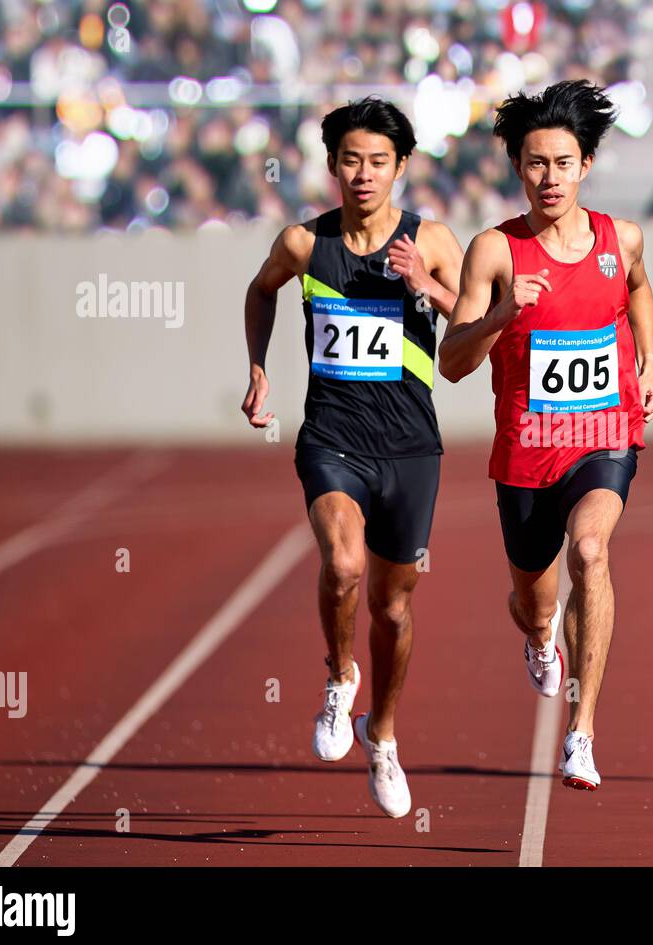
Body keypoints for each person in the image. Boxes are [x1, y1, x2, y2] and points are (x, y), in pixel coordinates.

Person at [438, 79, 653, 791]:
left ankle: (582, 734)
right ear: (518, 169)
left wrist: (648, 361)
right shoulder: (493, 251)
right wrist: (502, 312)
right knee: (534, 602)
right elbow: (451, 363)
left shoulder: (618, 238)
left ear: (585, 165)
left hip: (606, 435)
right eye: (536, 163)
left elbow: (637, 287)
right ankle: (541, 635)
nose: (549, 178)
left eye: (562, 163)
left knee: (591, 550)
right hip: (527, 455)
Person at [241, 97, 463, 815]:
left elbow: (476, 320)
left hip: (410, 447)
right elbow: (259, 290)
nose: (363, 174)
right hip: (332, 439)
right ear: (333, 164)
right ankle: (340, 678)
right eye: (350, 161)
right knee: (342, 563)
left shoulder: (431, 239)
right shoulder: (305, 245)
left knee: (394, 608)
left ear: (400, 167)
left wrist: (424, 286)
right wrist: (259, 369)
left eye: (378, 162)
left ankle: (385, 735)